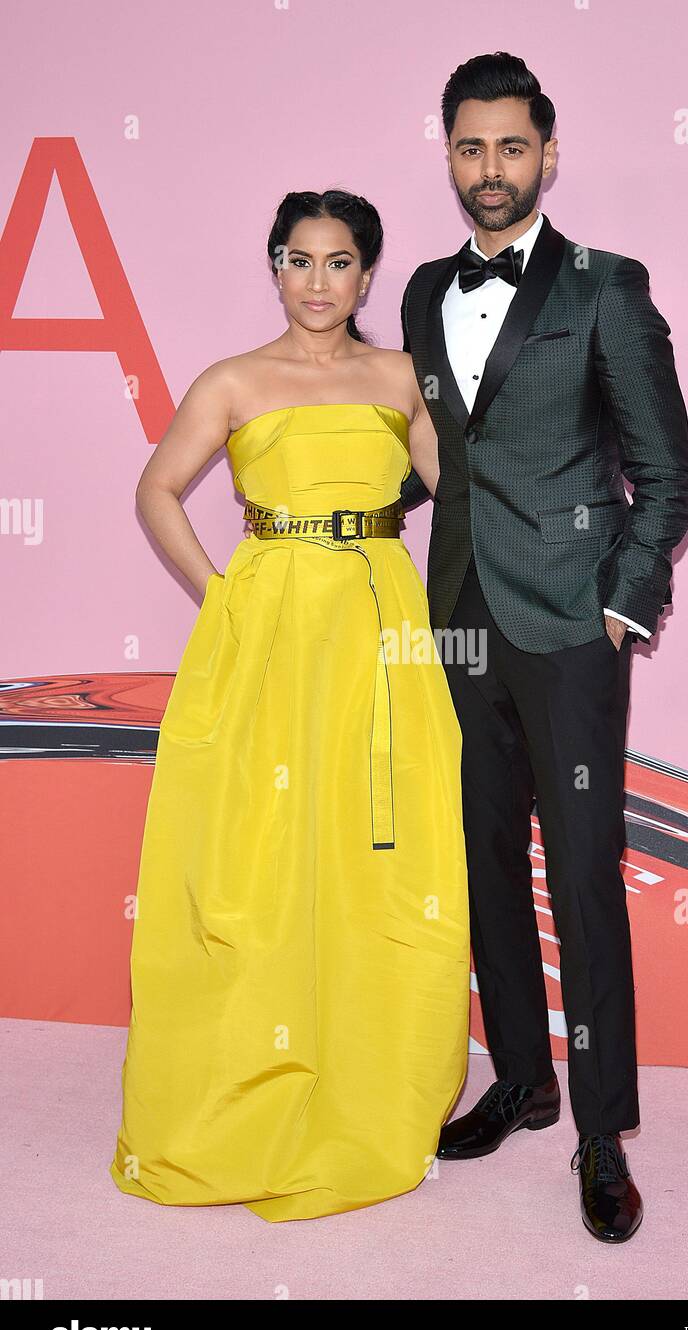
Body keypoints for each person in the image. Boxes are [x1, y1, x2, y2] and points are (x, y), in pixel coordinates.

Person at [109, 189, 470, 1221]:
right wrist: (219, 593)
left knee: (374, 844)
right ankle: (247, 1082)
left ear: (368, 275)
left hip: (378, 621)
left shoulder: (401, 376)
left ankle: (366, 1083)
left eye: (340, 262)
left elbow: (457, 492)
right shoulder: (232, 379)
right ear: (274, 267)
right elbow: (156, 490)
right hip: (269, 625)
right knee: (262, 849)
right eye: (299, 260)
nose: (318, 281)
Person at [398, 53, 688, 1242]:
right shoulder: (422, 290)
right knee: (482, 859)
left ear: (548, 152)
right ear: (448, 154)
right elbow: (438, 452)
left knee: (578, 877)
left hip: (572, 626)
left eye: (509, 148)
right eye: (468, 148)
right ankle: (519, 1078)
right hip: (463, 616)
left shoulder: (604, 287)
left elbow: (665, 473)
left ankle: (597, 1129)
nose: (488, 170)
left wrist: (621, 601)